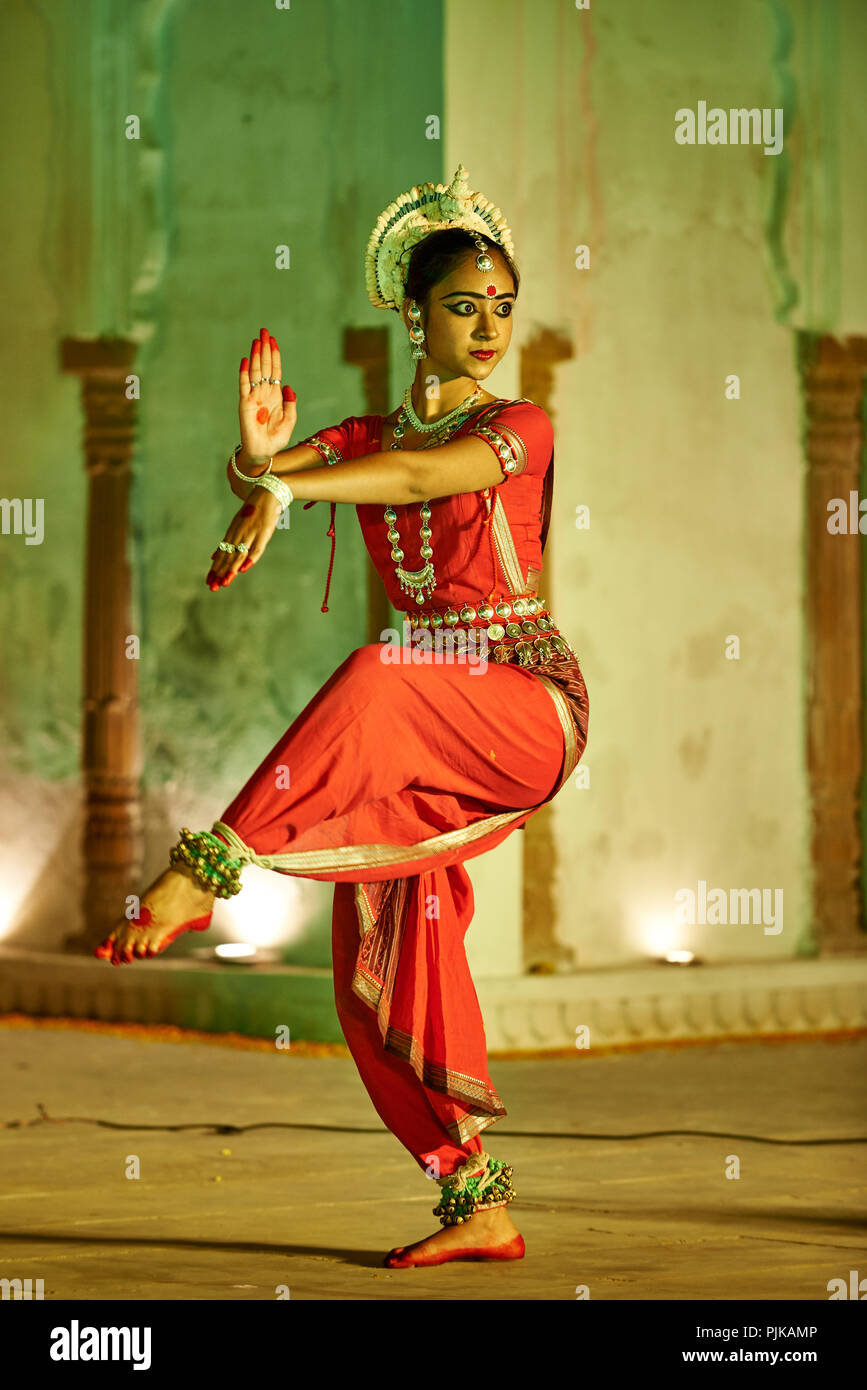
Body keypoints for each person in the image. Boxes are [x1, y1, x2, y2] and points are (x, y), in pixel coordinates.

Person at [95, 165, 589, 1269]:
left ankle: (207, 866)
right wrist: (263, 463)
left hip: (522, 700)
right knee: (374, 966)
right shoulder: (368, 434)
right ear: (412, 314)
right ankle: (476, 1196)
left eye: (504, 306)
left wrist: (286, 489)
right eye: (465, 306)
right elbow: (290, 471)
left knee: (379, 663)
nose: (489, 326)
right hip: (421, 722)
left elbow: (420, 481)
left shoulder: (520, 426)